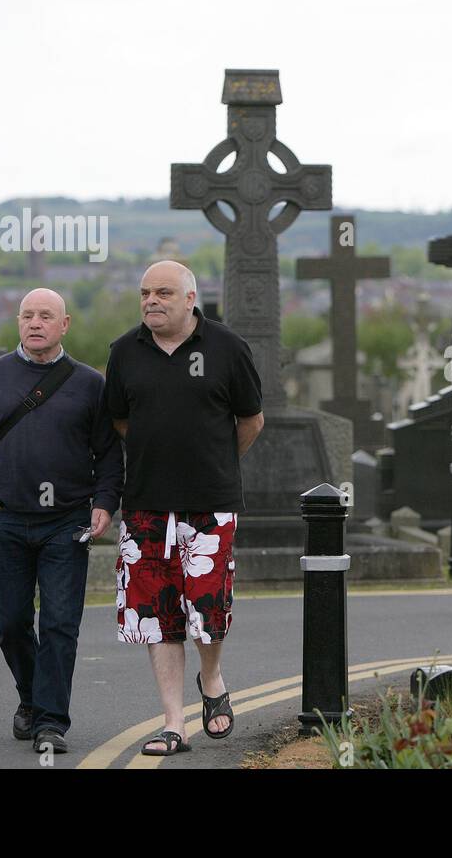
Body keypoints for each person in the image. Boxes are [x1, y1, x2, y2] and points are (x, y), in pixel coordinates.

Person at [103, 260, 264, 756]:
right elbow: (121, 421)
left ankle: (211, 677)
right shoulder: (124, 353)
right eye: (146, 292)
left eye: (164, 293)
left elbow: (251, 420)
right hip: (146, 505)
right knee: (156, 614)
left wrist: (211, 462)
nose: (152, 300)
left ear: (190, 298)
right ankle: (174, 722)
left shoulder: (228, 349)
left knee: (208, 609)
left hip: (210, 505)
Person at [0, 288, 123, 754]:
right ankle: (30, 698)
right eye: (27, 315)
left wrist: (105, 502)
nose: (35, 323)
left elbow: (110, 454)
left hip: (66, 523)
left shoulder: (90, 384)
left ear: (64, 325)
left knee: (59, 623)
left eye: (45, 316)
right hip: (5, 521)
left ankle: (50, 720)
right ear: (18, 322)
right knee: (9, 620)